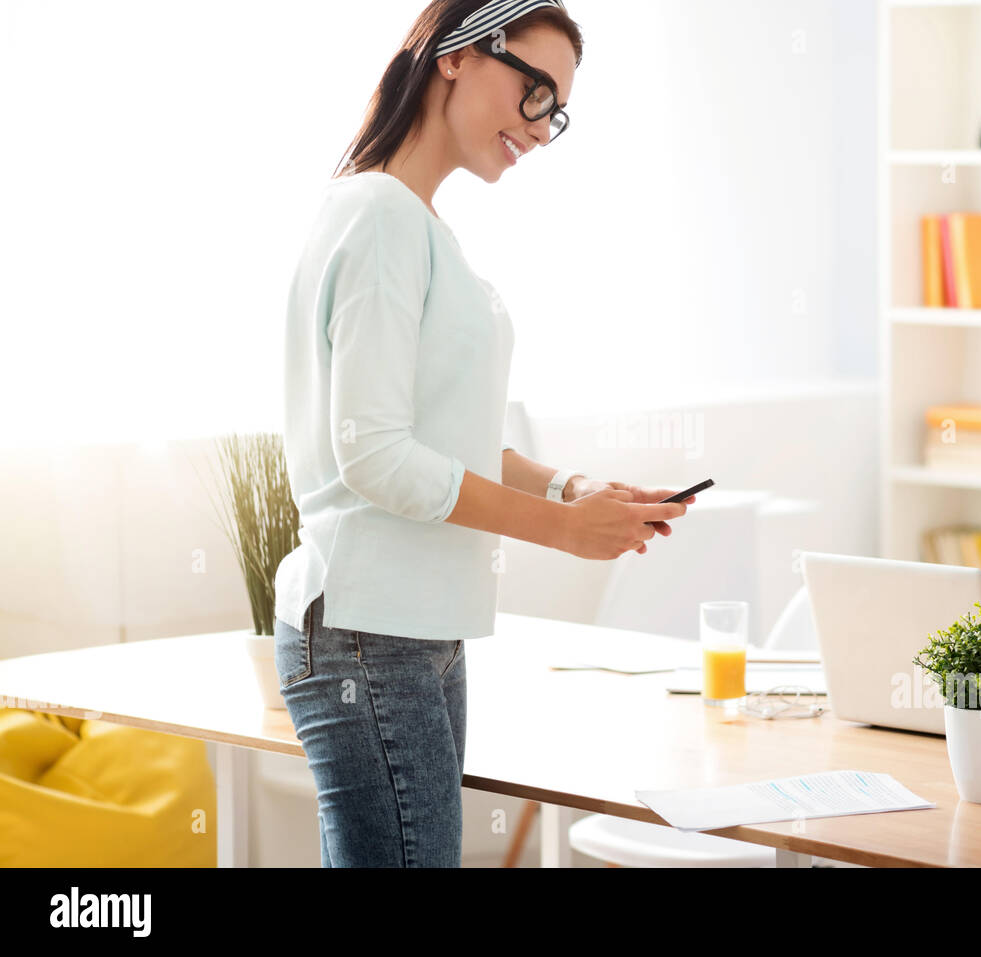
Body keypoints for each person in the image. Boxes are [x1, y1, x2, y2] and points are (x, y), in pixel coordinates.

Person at [271, 0, 694, 867]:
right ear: (456, 54)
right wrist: (562, 531)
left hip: (411, 628)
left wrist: (569, 489)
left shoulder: (413, 224)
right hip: (368, 629)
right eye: (534, 91)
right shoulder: (383, 215)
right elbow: (375, 456)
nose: (540, 129)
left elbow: (444, 439)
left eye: (557, 112)